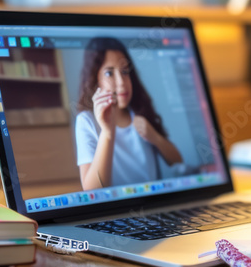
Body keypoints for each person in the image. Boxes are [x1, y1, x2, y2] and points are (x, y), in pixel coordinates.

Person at [75, 37, 184, 190]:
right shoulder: (86, 121)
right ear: (95, 79)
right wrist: (107, 133)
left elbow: (178, 161)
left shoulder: (140, 112)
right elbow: (93, 190)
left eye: (125, 71)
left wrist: (155, 138)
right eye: (109, 73)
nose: (121, 82)